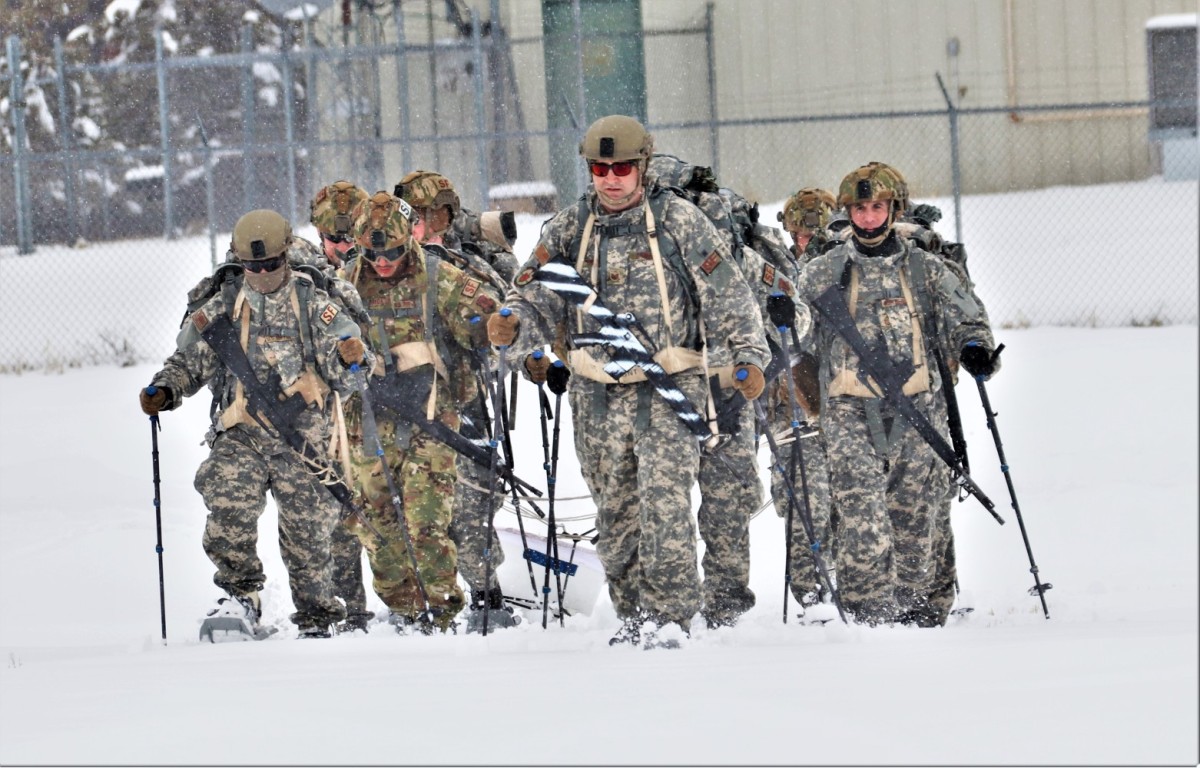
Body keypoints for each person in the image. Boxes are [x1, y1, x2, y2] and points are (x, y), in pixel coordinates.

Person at [487, 115, 770, 648]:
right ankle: (634, 615)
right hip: (596, 395)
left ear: (641, 167)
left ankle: (670, 621)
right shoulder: (570, 228)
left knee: (665, 509)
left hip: (669, 388)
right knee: (616, 516)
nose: (610, 178)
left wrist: (750, 358)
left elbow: (730, 298)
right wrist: (515, 326)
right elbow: (533, 293)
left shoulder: (680, 223)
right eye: (599, 168)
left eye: (620, 168)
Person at [139, 209, 371, 639]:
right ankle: (240, 594)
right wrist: (166, 389)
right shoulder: (225, 304)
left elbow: (349, 374)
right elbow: (192, 360)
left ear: (286, 256)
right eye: (252, 266)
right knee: (227, 499)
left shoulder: (312, 304)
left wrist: (350, 357)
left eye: (270, 264)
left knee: (309, 533)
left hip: (304, 440)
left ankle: (317, 613)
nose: (262, 273)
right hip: (241, 431)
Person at [794, 162, 999, 627]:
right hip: (847, 407)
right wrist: (782, 313)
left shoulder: (927, 269)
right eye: (860, 208)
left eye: (877, 207)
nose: (868, 217)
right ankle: (866, 611)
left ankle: (913, 606)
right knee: (860, 512)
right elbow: (796, 331)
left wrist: (974, 350)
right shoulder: (823, 270)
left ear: (894, 209)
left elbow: (965, 317)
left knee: (913, 517)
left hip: (917, 407)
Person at [645, 153, 806, 629]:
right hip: (666, 395)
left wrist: (778, 328)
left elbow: (797, 319)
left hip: (731, 397)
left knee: (727, 505)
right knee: (662, 503)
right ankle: (666, 601)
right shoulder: (650, 258)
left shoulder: (744, 260)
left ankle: (726, 602)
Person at [339, 190, 499, 634]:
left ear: (409, 238)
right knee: (379, 527)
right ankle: (405, 614)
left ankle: (442, 614)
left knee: (426, 521)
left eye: (391, 251)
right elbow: (318, 334)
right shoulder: (344, 281)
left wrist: (503, 336)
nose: (383, 261)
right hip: (368, 422)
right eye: (373, 252)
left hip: (430, 417)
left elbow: (490, 316)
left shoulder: (437, 277)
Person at [394, 170, 516, 633]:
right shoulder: (384, 266)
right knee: (412, 509)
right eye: (413, 216)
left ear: (447, 214)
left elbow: (503, 314)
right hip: (405, 406)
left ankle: (486, 592)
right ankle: (419, 600)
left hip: (465, 405)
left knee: (471, 505)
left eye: (431, 215)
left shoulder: (470, 267)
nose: (421, 225)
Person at [309, 180, 377, 633]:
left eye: (352, 237)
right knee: (338, 510)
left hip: (385, 407)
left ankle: (412, 598)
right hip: (334, 411)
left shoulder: (384, 264)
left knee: (389, 505)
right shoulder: (312, 278)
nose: (344, 247)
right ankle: (351, 609)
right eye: (335, 240)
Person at [770, 187, 839, 613]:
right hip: (790, 412)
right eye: (798, 234)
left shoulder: (838, 269)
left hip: (836, 407)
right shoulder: (775, 273)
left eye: (813, 234)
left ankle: (845, 583)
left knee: (842, 502)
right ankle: (812, 593)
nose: (804, 242)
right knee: (801, 503)